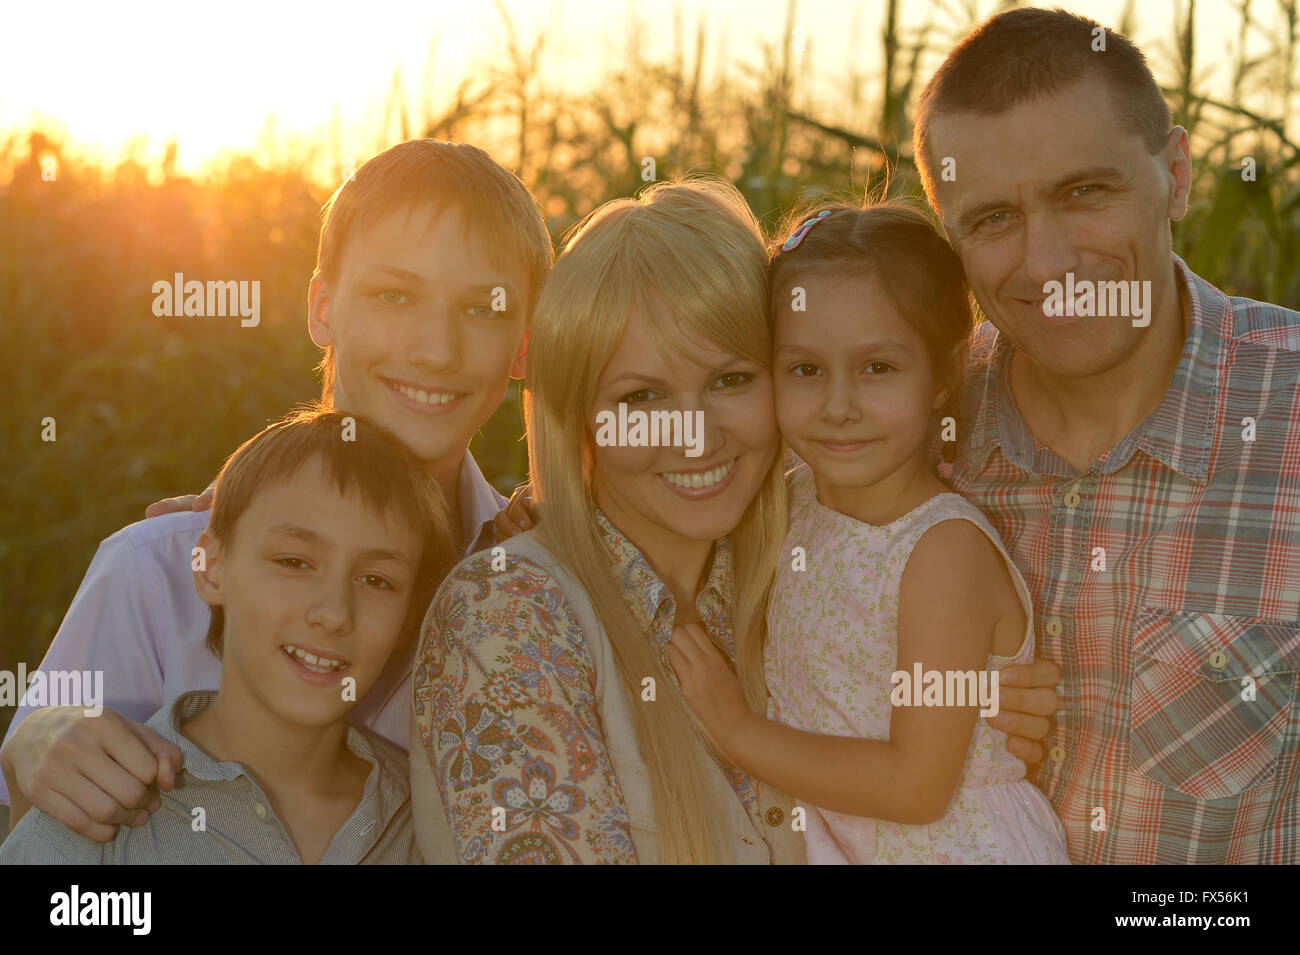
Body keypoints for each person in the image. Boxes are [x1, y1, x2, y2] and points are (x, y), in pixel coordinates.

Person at [412, 179, 1061, 864]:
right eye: (643, 396)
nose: (695, 436)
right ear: (580, 419)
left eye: (729, 380)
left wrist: (992, 700)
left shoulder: (781, 569)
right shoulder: (510, 618)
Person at [0, 140, 553, 847]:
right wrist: (39, 743)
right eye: (395, 295)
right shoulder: (157, 570)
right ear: (322, 308)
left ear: (523, 347)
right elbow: (39, 828)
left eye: (482, 308)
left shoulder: (537, 580)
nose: (436, 349)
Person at [910, 7, 1300, 863]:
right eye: (992, 220)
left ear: (1180, 174)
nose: (1046, 263)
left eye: (1083, 191)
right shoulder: (894, 439)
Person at [668, 202, 1070, 864]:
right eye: (806, 369)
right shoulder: (791, 496)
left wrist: (737, 728)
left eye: (878, 367)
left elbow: (916, 785)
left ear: (943, 374)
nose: (838, 405)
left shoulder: (941, 552)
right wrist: (547, 505)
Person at [1, 407, 452, 863]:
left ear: (409, 616)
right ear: (212, 569)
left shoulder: (437, 827)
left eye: (377, 580)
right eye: (294, 562)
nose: (333, 613)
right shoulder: (91, 811)